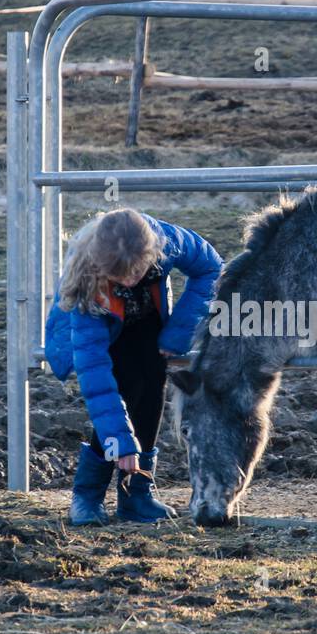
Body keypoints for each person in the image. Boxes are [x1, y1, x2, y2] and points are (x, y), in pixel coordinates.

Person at [44, 207, 222, 525]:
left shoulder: (168, 241)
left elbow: (211, 268)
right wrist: (119, 442)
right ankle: (86, 495)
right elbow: (96, 377)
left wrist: (179, 331)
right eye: (120, 276)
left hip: (146, 316)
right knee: (126, 386)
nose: (128, 279)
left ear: (152, 253)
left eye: (135, 273)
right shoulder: (87, 285)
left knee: (153, 386)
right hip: (104, 325)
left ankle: (137, 494)